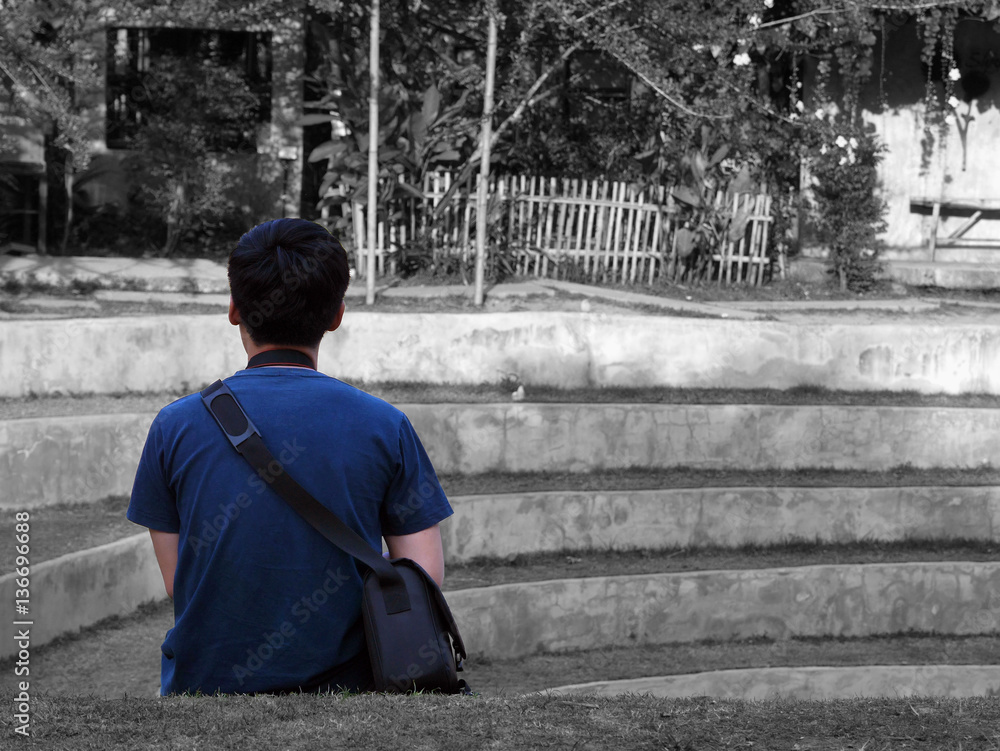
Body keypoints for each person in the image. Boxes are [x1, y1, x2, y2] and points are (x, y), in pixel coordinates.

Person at [126, 218, 453, 696]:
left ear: (234, 308)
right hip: (352, 695)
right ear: (337, 314)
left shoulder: (174, 426)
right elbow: (422, 580)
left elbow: (183, 583)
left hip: (204, 691)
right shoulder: (386, 425)